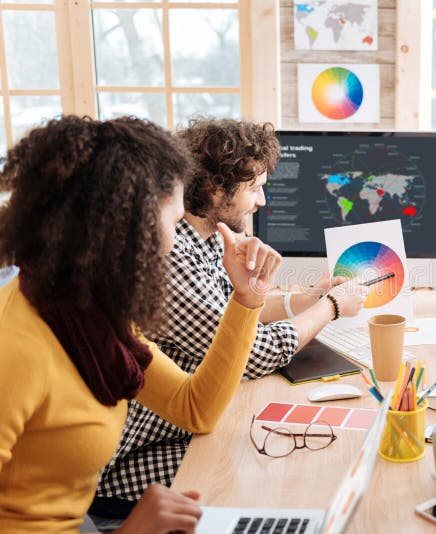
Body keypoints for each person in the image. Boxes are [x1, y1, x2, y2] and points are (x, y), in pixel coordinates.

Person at [0, 115, 282, 532]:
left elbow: (194, 409)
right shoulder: (17, 348)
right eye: (171, 221)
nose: (174, 241)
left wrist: (247, 298)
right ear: (124, 230)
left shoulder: (90, 313)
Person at [91, 118, 366, 525]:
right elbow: (250, 353)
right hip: (138, 461)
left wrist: (305, 298)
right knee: (280, 475)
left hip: (188, 424)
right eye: (254, 188)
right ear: (214, 189)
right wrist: (330, 308)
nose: (263, 201)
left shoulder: (201, 240)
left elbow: (233, 313)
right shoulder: (169, 255)